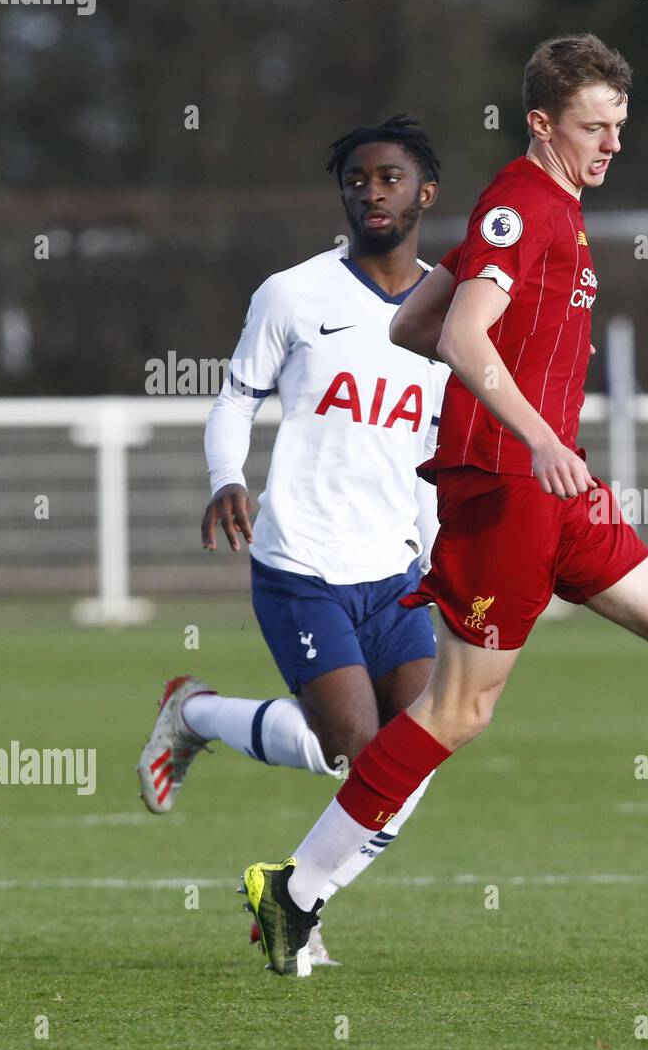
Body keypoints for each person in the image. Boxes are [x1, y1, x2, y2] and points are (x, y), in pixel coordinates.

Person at [241, 37, 648, 977]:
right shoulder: (522, 202)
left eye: (620, 127)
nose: (611, 144)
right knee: (458, 710)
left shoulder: (548, 207)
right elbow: (467, 334)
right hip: (512, 490)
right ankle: (298, 891)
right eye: (594, 127)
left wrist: (546, 438)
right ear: (543, 124)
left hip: (560, 491)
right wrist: (539, 436)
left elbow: (410, 325)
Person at [137, 116, 453, 965]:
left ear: (426, 193)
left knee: (415, 756)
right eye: (356, 179)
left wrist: (442, 559)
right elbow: (234, 398)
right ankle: (198, 722)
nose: (371, 191)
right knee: (358, 758)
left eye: (390, 178)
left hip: (397, 575)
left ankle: (293, 896)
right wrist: (226, 478)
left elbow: (435, 450)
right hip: (302, 566)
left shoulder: (452, 314)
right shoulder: (293, 294)